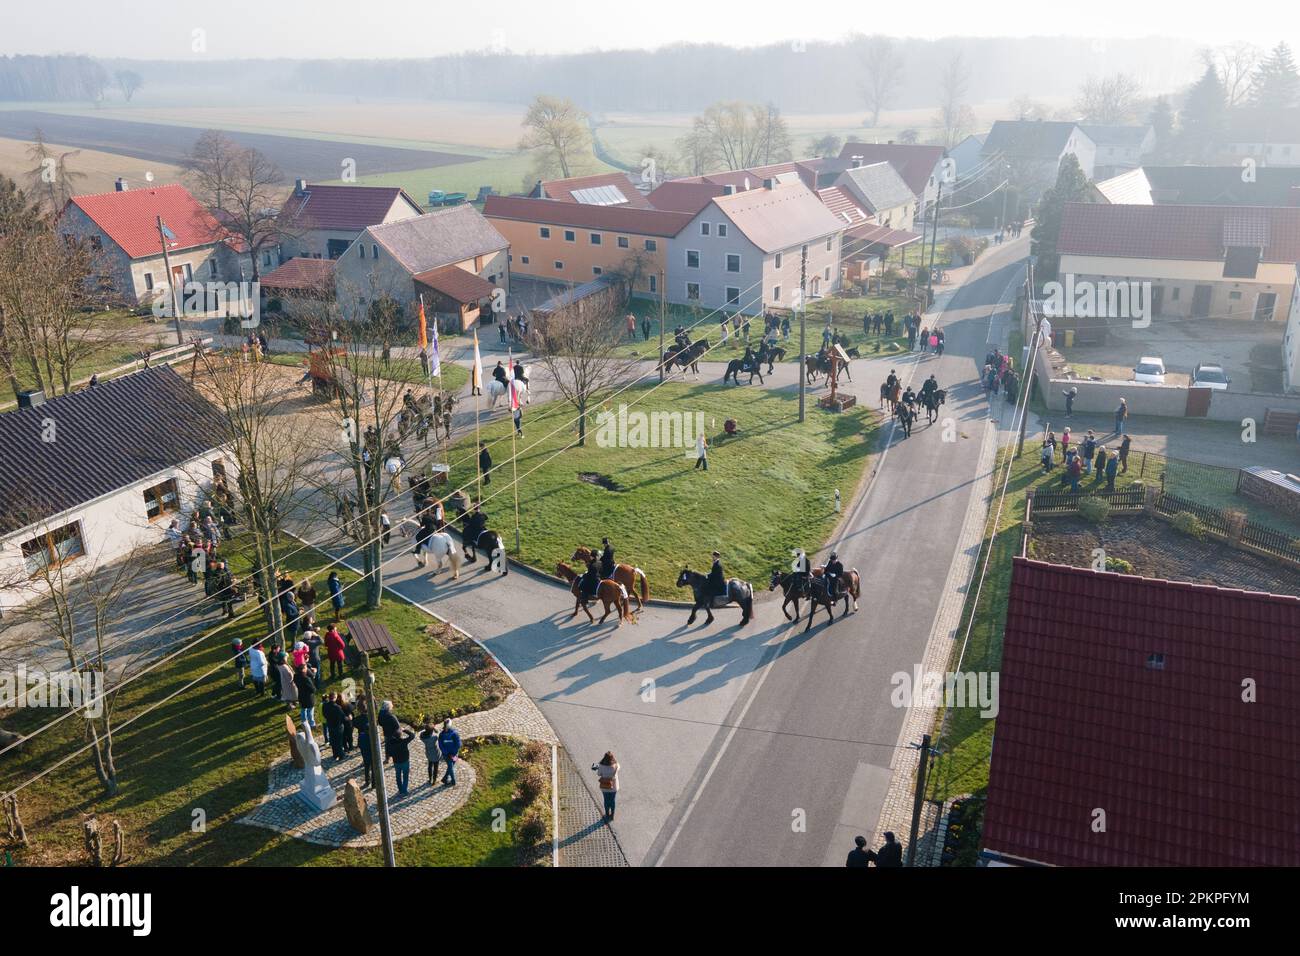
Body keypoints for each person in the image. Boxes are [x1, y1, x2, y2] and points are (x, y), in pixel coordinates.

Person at [387, 725, 415, 796]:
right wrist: (404, 729)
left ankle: (400, 790)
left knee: (398, 776)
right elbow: (412, 735)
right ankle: (404, 790)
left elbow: (389, 753)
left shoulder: (390, 742)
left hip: (396, 762)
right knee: (405, 776)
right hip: (405, 761)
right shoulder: (403, 741)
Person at [593, 751, 620, 822]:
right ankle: (612, 815)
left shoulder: (601, 766)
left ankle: (607, 814)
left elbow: (599, 774)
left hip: (604, 787)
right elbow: (618, 768)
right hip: (613, 787)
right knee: (612, 800)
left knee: (606, 800)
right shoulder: (616, 765)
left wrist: (598, 768)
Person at [437, 720, 462, 786]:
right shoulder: (455, 733)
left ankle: (445, 778)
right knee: (451, 766)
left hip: (447, 755)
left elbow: (441, 745)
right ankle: (453, 781)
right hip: (453, 754)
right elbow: (458, 745)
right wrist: (452, 753)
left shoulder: (441, 735)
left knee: (450, 766)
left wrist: (447, 753)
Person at [356, 699, 374, 789]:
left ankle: (367, 781)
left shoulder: (362, 736)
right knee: (374, 768)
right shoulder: (372, 737)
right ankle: (374, 783)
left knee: (367, 767)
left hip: (365, 752)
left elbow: (360, 744)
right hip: (372, 752)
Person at [322, 693, 346, 761]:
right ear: (335, 698)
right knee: (339, 741)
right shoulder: (337, 707)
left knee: (333, 740)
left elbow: (324, 714)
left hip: (330, 725)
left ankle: (335, 755)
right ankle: (341, 755)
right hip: (338, 726)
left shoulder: (325, 705)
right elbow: (343, 717)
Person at [295, 665, 317, 729]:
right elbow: (313, 689)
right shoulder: (306, 678)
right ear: (303, 670)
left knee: (303, 709)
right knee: (310, 711)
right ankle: (312, 724)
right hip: (308, 697)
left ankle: (304, 723)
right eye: (306, 668)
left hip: (301, 696)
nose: (307, 669)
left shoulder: (295, 676)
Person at [420, 721, 441, 786]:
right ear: (432, 731)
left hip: (428, 753)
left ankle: (430, 779)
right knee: (435, 767)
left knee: (430, 766)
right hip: (436, 753)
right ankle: (434, 780)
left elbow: (422, 733)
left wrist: (430, 729)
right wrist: (434, 729)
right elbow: (438, 733)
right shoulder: (434, 737)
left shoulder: (422, 737)